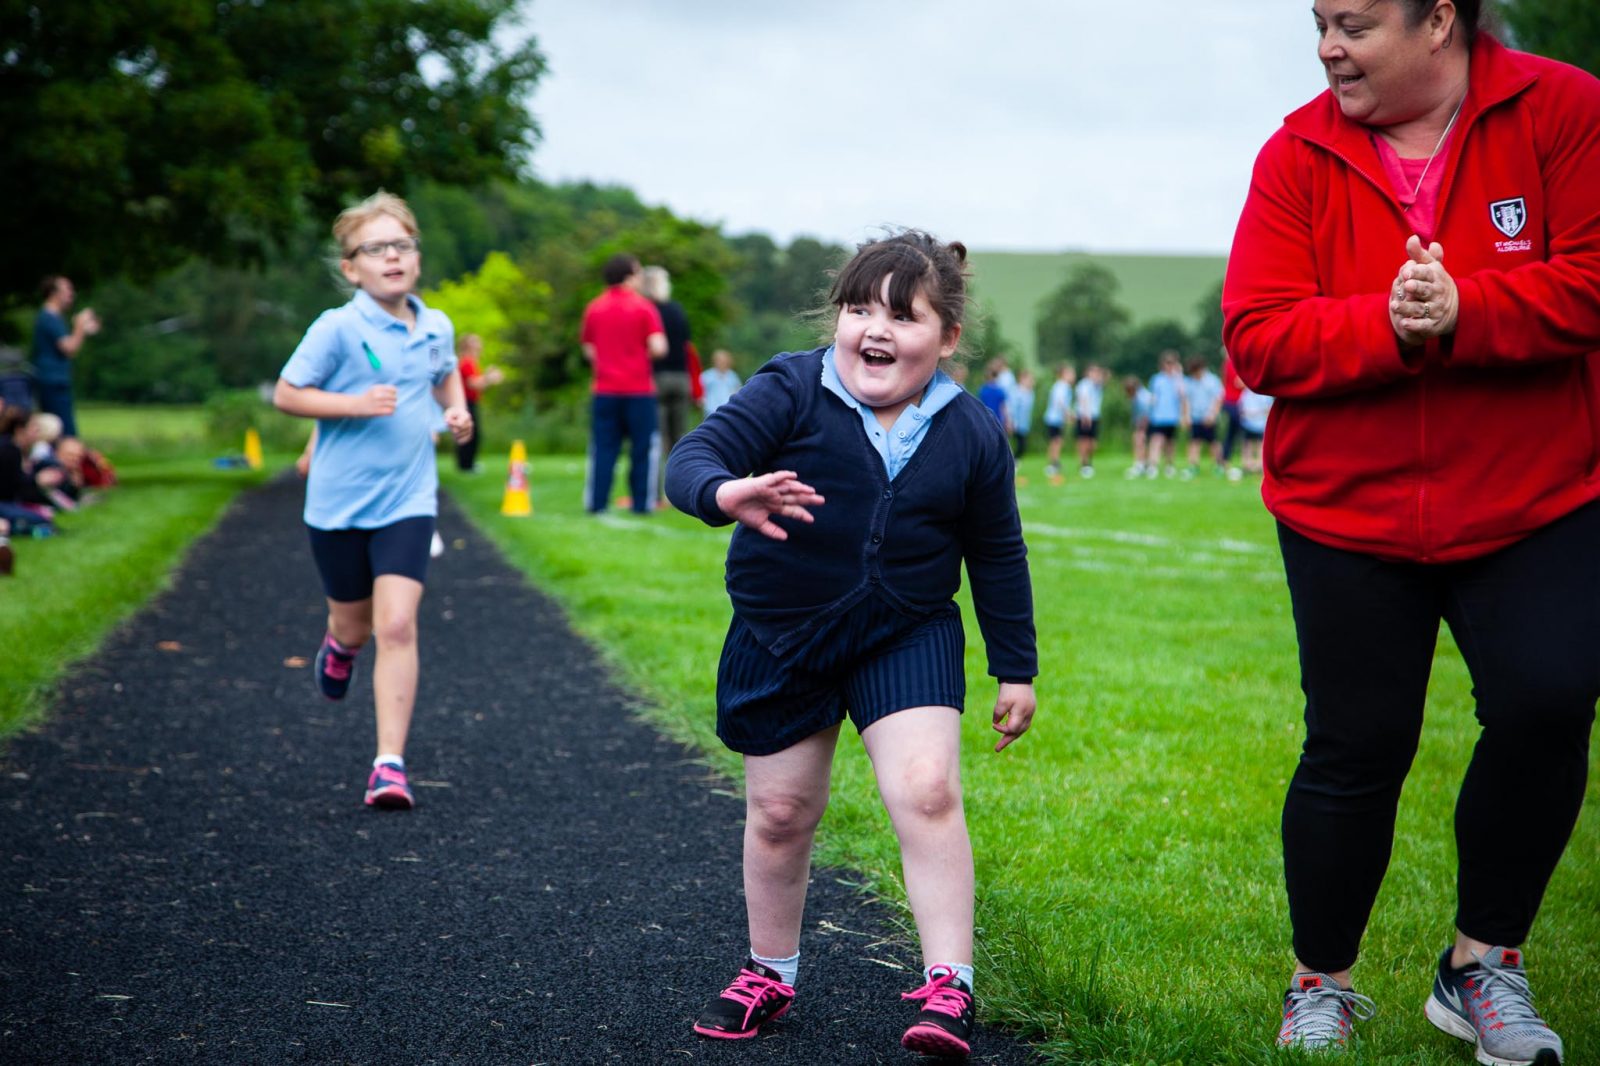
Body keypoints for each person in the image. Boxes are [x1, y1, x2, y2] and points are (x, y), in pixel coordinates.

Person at [1224, 2, 1600, 1059]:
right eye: (1318, 22)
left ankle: (1481, 965)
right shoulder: (1294, 150)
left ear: (1438, 19)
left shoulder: (1567, 110)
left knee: (1547, 700)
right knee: (1359, 743)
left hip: (1535, 496)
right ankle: (1321, 983)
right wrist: (1389, 322)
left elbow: (1590, 278)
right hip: (1345, 510)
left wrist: (1466, 311)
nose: (1326, 46)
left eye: (1351, 23)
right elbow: (1255, 334)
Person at [666, 230, 1037, 1059]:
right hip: (784, 631)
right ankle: (769, 972)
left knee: (928, 788)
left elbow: (997, 551)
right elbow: (694, 456)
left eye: (903, 316)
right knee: (782, 813)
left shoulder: (972, 431)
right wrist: (727, 492)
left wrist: (1016, 666)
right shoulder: (790, 389)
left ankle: (949, 987)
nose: (874, 328)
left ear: (945, 339)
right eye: (858, 308)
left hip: (906, 627)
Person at [272, 191, 472, 812]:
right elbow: (287, 393)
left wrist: (456, 408)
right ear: (351, 267)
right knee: (355, 624)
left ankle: (389, 765)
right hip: (337, 504)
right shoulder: (337, 328)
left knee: (396, 624)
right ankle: (339, 646)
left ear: (416, 256)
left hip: (409, 498)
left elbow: (443, 376)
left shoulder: (435, 323)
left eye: (403, 245)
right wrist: (355, 404)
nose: (392, 257)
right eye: (375, 248)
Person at [580, 254, 667, 514]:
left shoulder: (594, 307)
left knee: (604, 448)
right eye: (638, 273)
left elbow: (588, 348)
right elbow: (659, 347)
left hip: (605, 389)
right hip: (638, 389)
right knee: (642, 449)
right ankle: (641, 504)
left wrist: (608, 360)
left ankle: (597, 503)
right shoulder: (643, 307)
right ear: (628, 276)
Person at [31, 275, 100, 439]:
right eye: (67, 290)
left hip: (54, 380)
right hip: (53, 381)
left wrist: (82, 330)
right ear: (54, 293)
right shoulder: (49, 317)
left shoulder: (52, 318)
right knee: (63, 432)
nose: (72, 294)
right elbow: (69, 347)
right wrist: (80, 325)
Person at [641, 265, 694, 467]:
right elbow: (686, 343)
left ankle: (655, 491)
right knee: (680, 437)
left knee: (657, 437)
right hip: (681, 376)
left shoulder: (647, 310)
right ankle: (681, 483)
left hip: (656, 377)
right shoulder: (677, 310)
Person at [452, 333, 503, 473]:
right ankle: (466, 465)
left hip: (471, 401)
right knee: (469, 433)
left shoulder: (472, 362)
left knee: (473, 434)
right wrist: (489, 378)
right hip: (465, 402)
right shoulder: (467, 362)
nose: (480, 345)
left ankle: (468, 464)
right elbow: (473, 383)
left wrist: (486, 377)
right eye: (476, 342)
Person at [1180, 356, 1224, 478]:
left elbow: (1218, 399)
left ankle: (1218, 466)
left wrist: (1212, 414)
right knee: (1194, 442)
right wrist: (1186, 416)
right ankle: (1193, 467)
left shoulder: (1212, 381)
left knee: (1213, 442)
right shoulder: (1190, 382)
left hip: (1209, 417)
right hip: (1195, 416)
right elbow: (1186, 400)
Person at [1145, 351, 1185, 477]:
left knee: (1170, 442)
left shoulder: (1178, 380)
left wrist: (1179, 376)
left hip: (1173, 416)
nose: (1169, 366)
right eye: (1167, 363)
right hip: (1158, 416)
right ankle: (1153, 465)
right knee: (1156, 440)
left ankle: (1169, 465)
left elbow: (1182, 395)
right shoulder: (1157, 379)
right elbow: (1152, 398)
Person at [1042, 363, 1076, 479]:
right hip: (1054, 418)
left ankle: (1054, 462)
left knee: (1056, 441)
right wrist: (1068, 414)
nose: (1073, 376)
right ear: (1063, 374)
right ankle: (1053, 464)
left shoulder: (1061, 386)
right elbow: (1060, 402)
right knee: (1056, 441)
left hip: (1056, 418)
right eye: (1070, 373)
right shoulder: (1062, 386)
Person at [1073, 365, 1106, 478]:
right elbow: (1083, 400)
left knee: (1092, 442)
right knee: (1083, 440)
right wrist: (1086, 416)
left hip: (1094, 416)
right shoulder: (1084, 384)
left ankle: (1089, 462)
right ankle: (1084, 463)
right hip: (1085, 416)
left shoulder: (1097, 385)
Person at [1122, 374, 1153, 478]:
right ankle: (1145, 465)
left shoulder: (1141, 397)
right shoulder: (1142, 394)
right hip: (1144, 423)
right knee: (1143, 443)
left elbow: (1145, 413)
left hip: (1145, 423)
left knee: (1138, 441)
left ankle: (1140, 465)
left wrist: (1141, 427)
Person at [699, 348, 742, 416]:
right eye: (719, 361)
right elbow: (700, 391)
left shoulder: (732, 376)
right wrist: (703, 402)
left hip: (728, 409)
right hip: (711, 410)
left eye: (724, 361)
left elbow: (737, 390)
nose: (722, 363)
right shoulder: (707, 375)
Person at [1007, 369, 1035, 460]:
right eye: (1029, 379)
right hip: (1014, 423)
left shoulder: (1030, 392)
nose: (1031, 382)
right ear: (1022, 379)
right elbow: (1011, 407)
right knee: (1014, 444)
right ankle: (1011, 463)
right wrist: (1011, 422)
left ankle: (1014, 462)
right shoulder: (1015, 391)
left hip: (1024, 424)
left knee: (1022, 447)